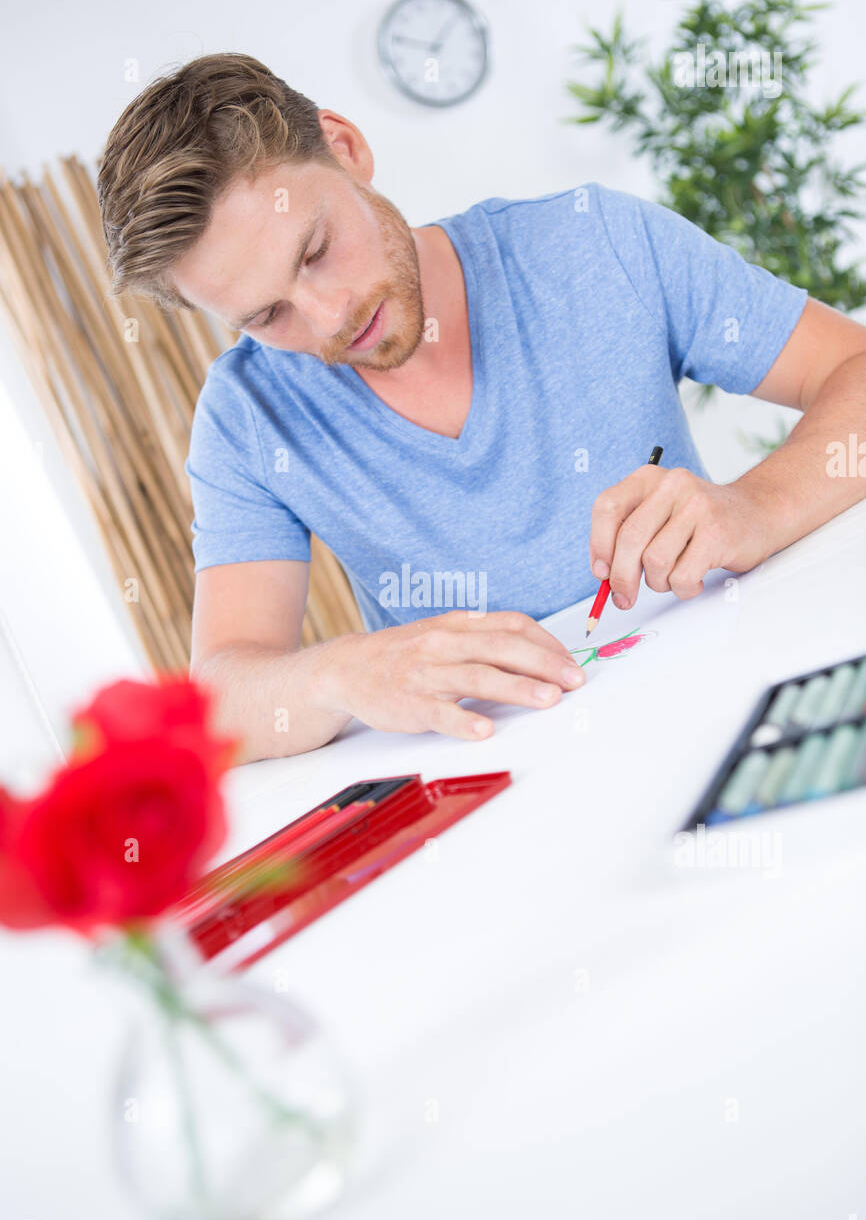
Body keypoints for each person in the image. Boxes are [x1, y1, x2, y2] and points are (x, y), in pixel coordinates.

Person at [98, 54, 866, 763]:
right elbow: (220, 697)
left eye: (316, 250)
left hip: (720, 699)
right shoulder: (248, 415)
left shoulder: (597, 242)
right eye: (268, 316)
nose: (328, 318)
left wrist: (756, 506)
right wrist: (337, 674)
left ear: (345, 148)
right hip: (499, 779)